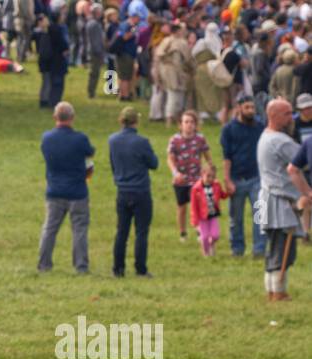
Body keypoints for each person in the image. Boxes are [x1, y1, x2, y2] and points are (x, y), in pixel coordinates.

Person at [257, 98, 312, 299]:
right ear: (274, 116)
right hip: (280, 200)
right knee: (283, 249)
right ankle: (278, 291)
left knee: (275, 247)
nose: (292, 118)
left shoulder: (265, 136)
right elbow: (303, 159)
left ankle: (273, 289)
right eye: (287, 114)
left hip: (268, 197)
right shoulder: (280, 141)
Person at [38, 101, 96, 272]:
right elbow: (90, 152)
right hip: (77, 191)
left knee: (49, 229)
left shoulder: (47, 138)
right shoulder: (80, 139)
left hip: (54, 190)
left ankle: (44, 264)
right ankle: (81, 265)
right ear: (72, 117)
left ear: (55, 117)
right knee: (79, 229)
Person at [108, 106, 159, 276]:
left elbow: (113, 165)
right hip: (141, 190)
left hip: (122, 190)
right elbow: (154, 164)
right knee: (141, 232)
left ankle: (118, 268)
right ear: (136, 121)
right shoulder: (142, 142)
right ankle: (140, 269)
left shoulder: (112, 140)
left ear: (121, 121)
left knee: (121, 231)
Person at [221, 94, 267, 257]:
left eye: (253, 107)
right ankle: (237, 249)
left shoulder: (260, 127)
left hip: (257, 178)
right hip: (237, 178)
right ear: (239, 108)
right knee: (236, 218)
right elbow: (226, 157)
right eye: (247, 107)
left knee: (260, 216)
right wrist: (227, 180)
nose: (251, 111)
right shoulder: (228, 129)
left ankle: (260, 249)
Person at [167, 111, 212, 240]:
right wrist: (175, 173)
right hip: (181, 180)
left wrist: (210, 167)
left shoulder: (200, 139)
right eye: (186, 122)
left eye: (192, 122)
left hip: (197, 178)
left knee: (198, 204)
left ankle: (199, 229)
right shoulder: (175, 140)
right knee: (182, 207)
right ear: (180, 125)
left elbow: (207, 156)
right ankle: (183, 232)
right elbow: (170, 159)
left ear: (196, 124)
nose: (189, 125)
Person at [154, 22, 194, 122]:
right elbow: (188, 59)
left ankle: (168, 117)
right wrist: (192, 68)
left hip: (164, 70)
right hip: (175, 72)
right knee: (175, 96)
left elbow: (158, 56)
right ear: (178, 31)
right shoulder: (181, 42)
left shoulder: (165, 40)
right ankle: (171, 118)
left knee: (170, 94)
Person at [189, 163, 231, 256]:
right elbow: (194, 206)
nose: (211, 179)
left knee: (215, 235)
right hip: (202, 217)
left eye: (213, 176)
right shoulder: (196, 189)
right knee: (204, 237)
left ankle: (211, 245)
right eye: (208, 176)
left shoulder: (216, 185)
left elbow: (222, 195)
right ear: (202, 174)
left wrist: (228, 192)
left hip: (213, 215)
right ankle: (206, 253)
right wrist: (194, 220)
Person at [35, 6, 72, 107]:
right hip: (56, 60)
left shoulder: (46, 30)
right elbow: (63, 45)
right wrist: (66, 49)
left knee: (47, 81)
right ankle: (52, 101)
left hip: (47, 60)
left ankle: (45, 99)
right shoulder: (57, 29)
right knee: (55, 83)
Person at [85, 3, 107, 98]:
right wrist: (99, 52)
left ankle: (92, 91)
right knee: (94, 73)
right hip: (95, 52)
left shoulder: (95, 23)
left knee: (95, 73)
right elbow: (95, 41)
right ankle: (91, 92)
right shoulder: (93, 24)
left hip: (96, 51)